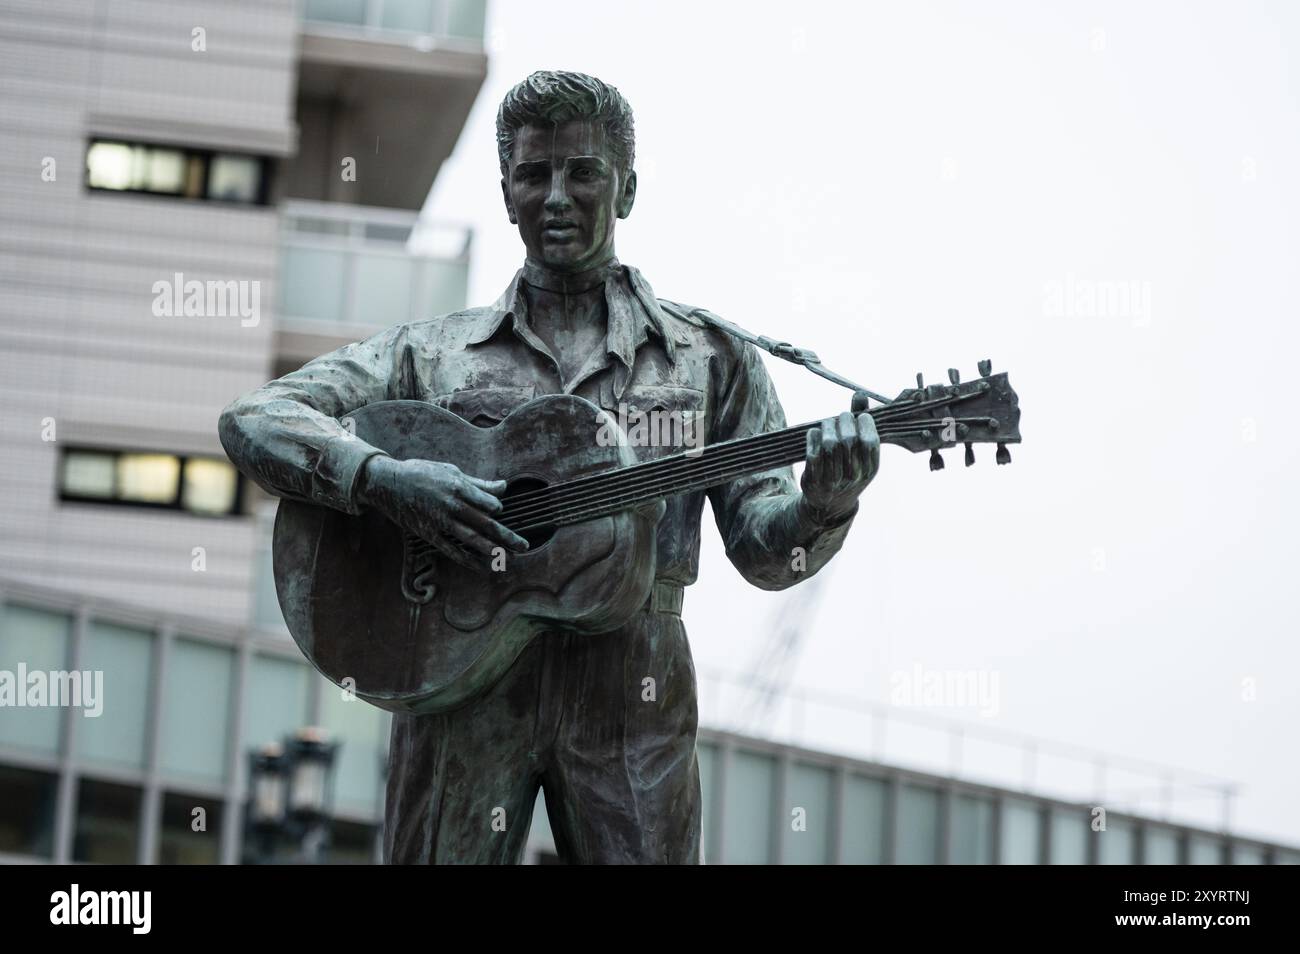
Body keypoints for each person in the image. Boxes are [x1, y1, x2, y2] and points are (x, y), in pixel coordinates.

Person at [219, 70, 879, 864]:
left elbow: (769, 553)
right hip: (457, 676)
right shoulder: (431, 355)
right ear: (506, 193)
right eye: (533, 174)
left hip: (634, 688)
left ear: (626, 188)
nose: (557, 196)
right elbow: (254, 418)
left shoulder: (711, 358)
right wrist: (385, 480)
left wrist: (825, 503)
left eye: (582, 172)